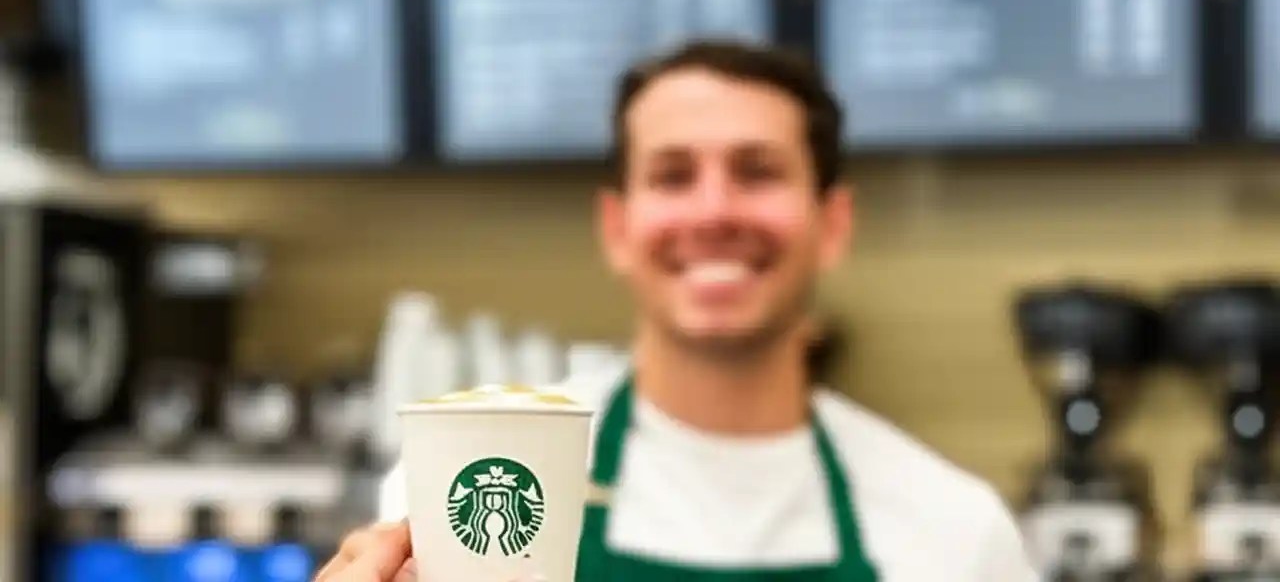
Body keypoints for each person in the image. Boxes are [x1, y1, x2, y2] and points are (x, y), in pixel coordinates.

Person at [315, 41, 1038, 581]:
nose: (715, 210)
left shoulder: (955, 534)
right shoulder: (473, 473)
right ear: (618, 226)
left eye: (757, 172)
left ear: (834, 222)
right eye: (673, 176)